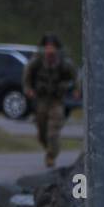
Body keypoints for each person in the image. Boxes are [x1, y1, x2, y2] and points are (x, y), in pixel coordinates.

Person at [22, 33, 77, 168]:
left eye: (52, 47)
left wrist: (76, 90)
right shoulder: (37, 62)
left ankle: (51, 156)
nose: (49, 51)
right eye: (47, 47)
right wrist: (28, 89)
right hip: (41, 100)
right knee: (41, 133)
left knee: (53, 131)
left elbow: (75, 77)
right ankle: (50, 148)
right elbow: (27, 76)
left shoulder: (64, 63)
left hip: (56, 101)